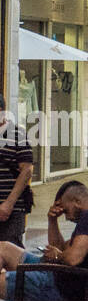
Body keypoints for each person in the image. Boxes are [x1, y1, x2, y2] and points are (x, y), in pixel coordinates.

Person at [0, 180, 88, 301]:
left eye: (66, 210)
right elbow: (60, 247)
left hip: (62, 286)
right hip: (68, 278)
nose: (66, 216)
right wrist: (52, 220)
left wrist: (58, 255)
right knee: (3, 247)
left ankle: (23, 300)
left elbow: (73, 258)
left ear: (77, 202)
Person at [0, 98, 35, 247]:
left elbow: (26, 170)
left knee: (10, 251)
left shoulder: (17, 134)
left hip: (11, 209)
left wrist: (8, 203)